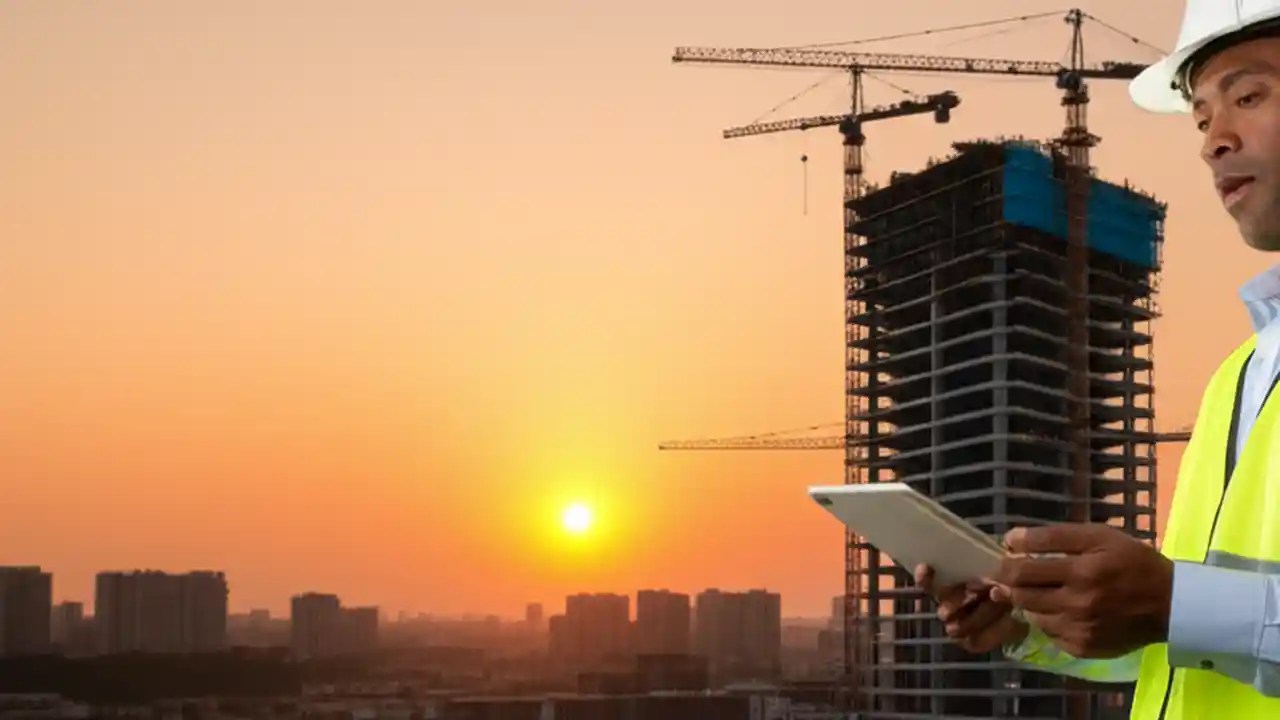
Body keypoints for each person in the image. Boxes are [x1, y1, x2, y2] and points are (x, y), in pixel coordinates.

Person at [917, 2, 1280, 717]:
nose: (1213, 142)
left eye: (1250, 95)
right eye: (1202, 118)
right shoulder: (1239, 373)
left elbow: (1204, 615)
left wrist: (1181, 604)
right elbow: (1200, 649)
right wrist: (1039, 622)